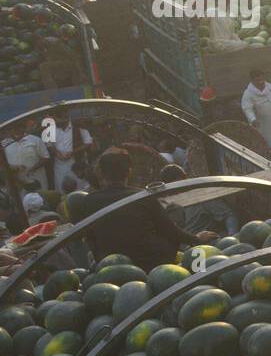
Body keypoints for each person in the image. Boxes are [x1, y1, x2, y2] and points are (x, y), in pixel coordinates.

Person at [82, 147, 217, 268]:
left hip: (110, 264)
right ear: (129, 172)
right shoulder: (142, 197)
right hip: (152, 262)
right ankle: (198, 271)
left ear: (101, 173)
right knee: (174, 210)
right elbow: (171, 231)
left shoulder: (88, 201)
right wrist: (196, 239)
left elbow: (90, 239)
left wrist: (100, 260)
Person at [158, 163, 239, 236]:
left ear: (184, 179)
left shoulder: (201, 196)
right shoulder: (165, 203)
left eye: (176, 184)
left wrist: (232, 234)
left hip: (203, 244)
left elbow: (228, 215)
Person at [241, 69, 271, 159]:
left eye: (261, 79)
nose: (260, 82)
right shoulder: (248, 94)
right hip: (260, 126)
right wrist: (253, 119)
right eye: (257, 80)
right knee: (264, 148)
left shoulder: (270, 87)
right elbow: (247, 109)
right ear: (252, 80)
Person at [46, 112, 91, 193]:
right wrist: (57, 153)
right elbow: (49, 144)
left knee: (80, 187)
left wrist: (72, 152)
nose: (55, 121)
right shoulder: (51, 130)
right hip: (59, 165)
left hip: (76, 163)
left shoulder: (78, 127)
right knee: (61, 188)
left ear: (65, 117)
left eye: (57, 119)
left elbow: (88, 142)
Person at [4, 125, 50, 190]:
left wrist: (33, 168)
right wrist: (15, 169)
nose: (15, 131)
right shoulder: (5, 145)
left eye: (17, 128)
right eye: (12, 129)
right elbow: (4, 165)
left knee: (41, 198)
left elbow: (46, 158)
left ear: (22, 128)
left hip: (37, 180)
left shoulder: (35, 140)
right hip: (18, 184)